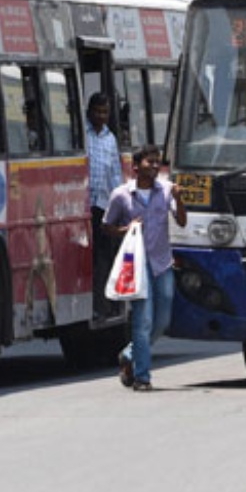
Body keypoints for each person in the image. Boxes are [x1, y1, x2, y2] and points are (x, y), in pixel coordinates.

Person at [104, 144, 187, 392]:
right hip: (137, 268)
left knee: (162, 321)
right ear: (136, 166)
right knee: (143, 321)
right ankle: (142, 377)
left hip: (162, 263)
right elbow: (106, 226)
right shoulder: (121, 195)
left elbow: (181, 221)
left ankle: (129, 355)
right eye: (149, 162)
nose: (154, 166)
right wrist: (125, 229)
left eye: (157, 162)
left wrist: (180, 200)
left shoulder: (166, 190)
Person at [86, 93, 124, 323]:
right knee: (88, 257)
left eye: (105, 112)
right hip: (83, 205)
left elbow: (115, 174)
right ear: (90, 111)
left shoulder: (110, 139)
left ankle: (104, 304)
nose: (101, 116)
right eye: (98, 112)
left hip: (103, 205)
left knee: (104, 256)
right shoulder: (83, 134)